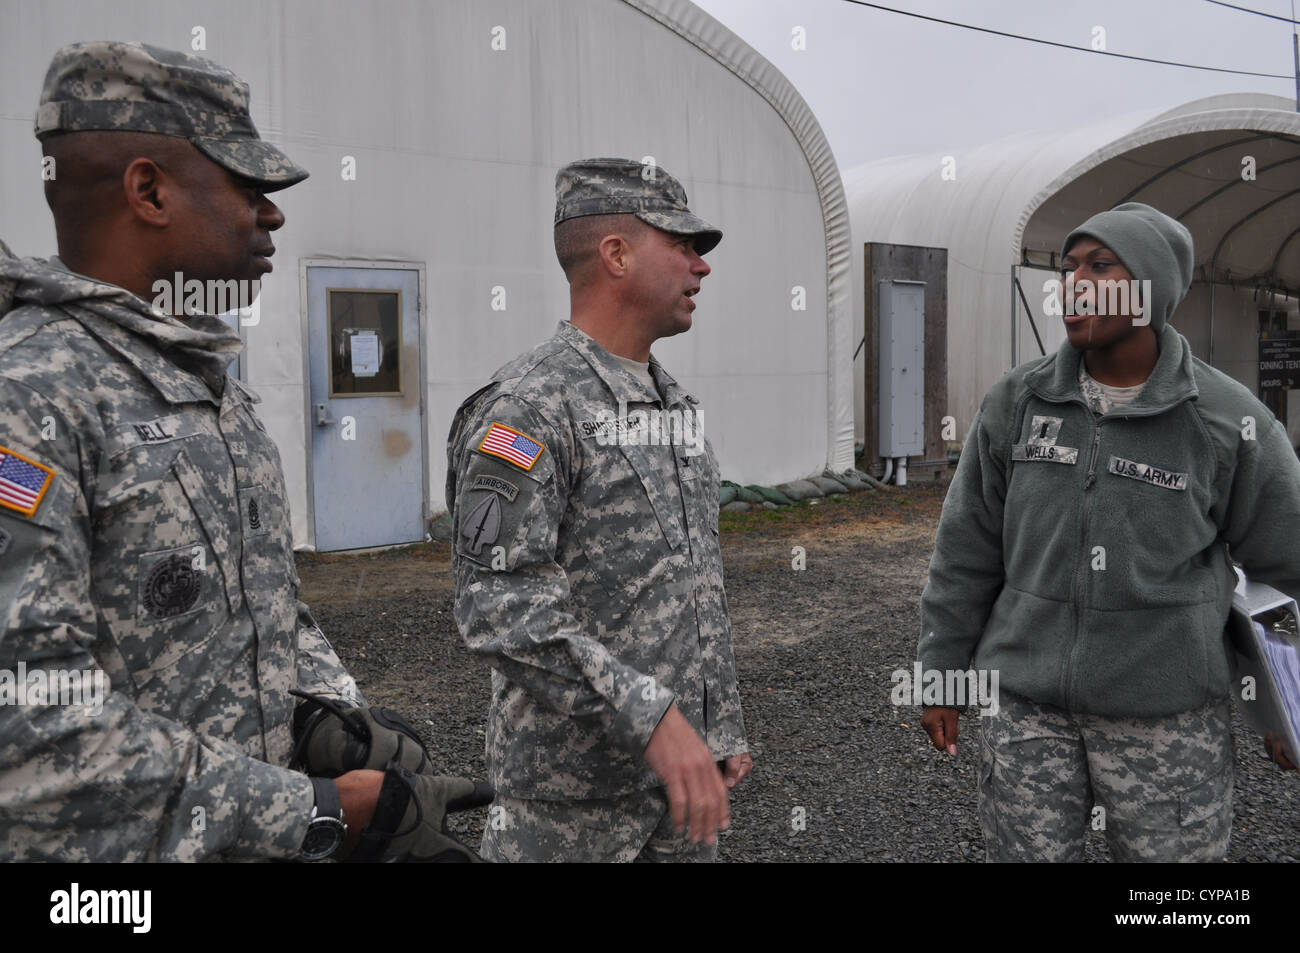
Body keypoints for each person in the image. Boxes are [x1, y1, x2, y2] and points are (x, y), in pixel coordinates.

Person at [0, 41, 481, 863]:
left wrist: (323, 715)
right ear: (147, 189)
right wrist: (321, 810)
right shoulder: (31, 396)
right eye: (248, 186)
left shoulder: (212, 385)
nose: (274, 213)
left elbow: (267, 605)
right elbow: (35, 734)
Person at [918, 202, 1300, 863]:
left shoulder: (1227, 422)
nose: (1073, 283)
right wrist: (941, 672)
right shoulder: (1018, 404)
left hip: (1167, 727)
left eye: (1100, 266)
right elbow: (966, 550)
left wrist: (1283, 708)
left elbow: (1286, 569)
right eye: (1067, 269)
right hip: (1029, 715)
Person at [446, 157, 753, 862]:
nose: (700, 267)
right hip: (569, 811)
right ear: (615, 253)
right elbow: (499, 604)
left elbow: (696, 583)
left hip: (679, 800)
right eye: (682, 244)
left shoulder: (677, 409)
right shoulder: (527, 409)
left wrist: (718, 722)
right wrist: (653, 718)